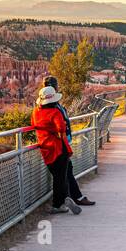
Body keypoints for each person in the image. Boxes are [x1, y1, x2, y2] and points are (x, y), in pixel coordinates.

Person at [40, 76, 94, 206]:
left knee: (65, 172)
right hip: (60, 146)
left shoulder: (43, 109)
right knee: (64, 173)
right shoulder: (54, 109)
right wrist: (66, 146)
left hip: (52, 146)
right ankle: (70, 198)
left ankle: (71, 197)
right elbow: (61, 128)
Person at [31, 85, 81, 214]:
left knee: (57, 176)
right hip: (59, 148)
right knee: (61, 177)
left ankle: (60, 202)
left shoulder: (36, 112)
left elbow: (33, 125)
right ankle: (62, 200)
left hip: (45, 148)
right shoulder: (55, 112)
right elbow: (61, 129)